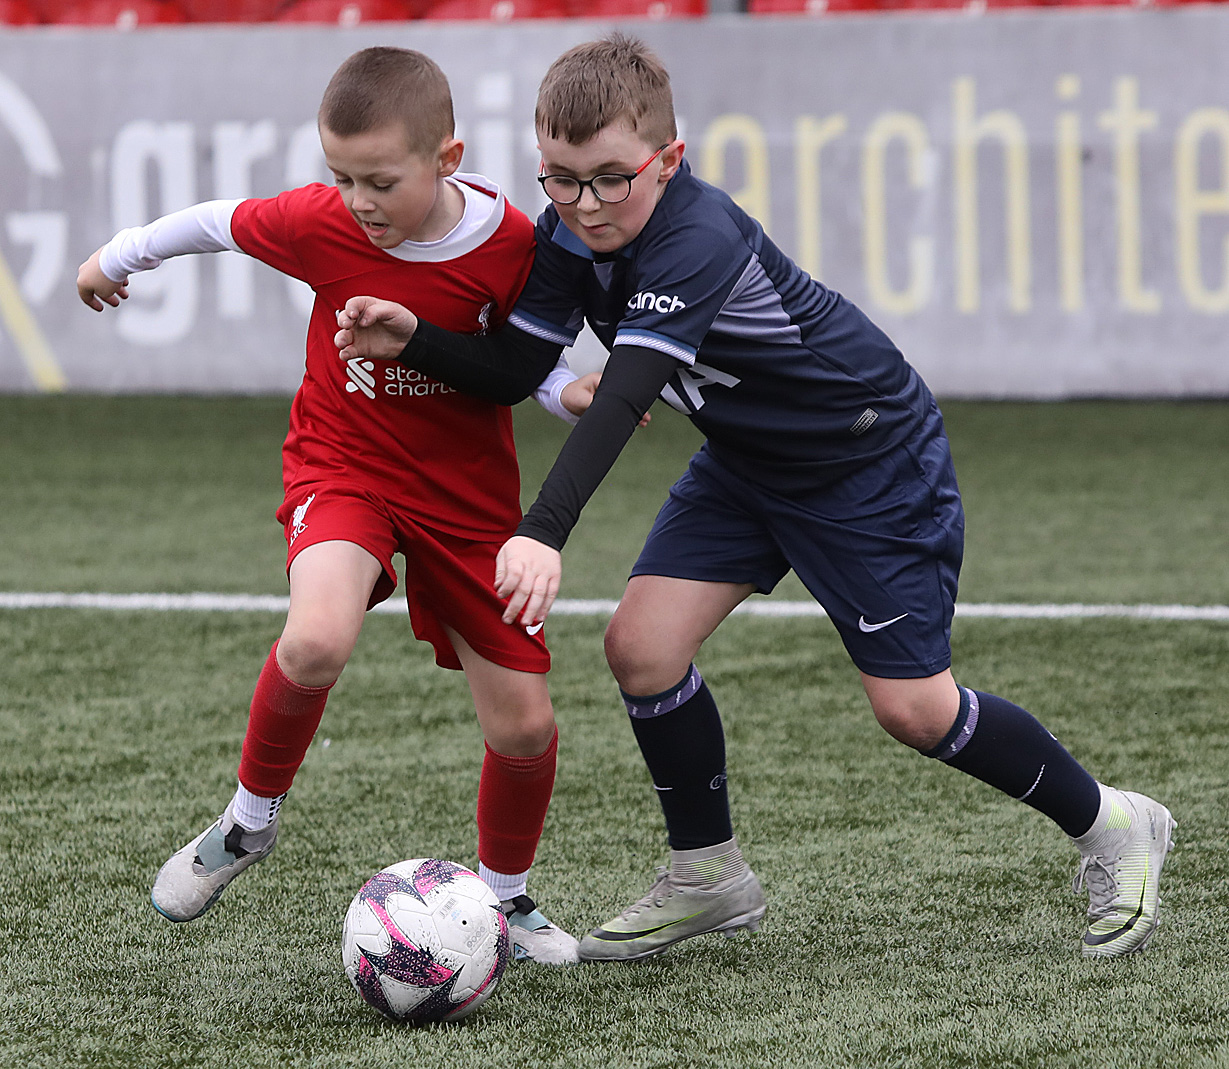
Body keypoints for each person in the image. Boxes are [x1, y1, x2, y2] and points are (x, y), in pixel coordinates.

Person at [332, 34, 1175, 963]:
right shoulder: (566, 231)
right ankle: (708, 876)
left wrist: (542, 530)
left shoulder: (697, 236)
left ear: (669, 159)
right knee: (640, 648)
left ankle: (1113, 823)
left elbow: (622, 395)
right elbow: (517, 370)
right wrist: (417, 340)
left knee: (915, 711)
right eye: (561, 180)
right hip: (747, 460)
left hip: (866, 461)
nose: (586, 203)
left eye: (613, 177)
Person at [75, 46, 589, 964]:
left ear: (448, 157)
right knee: (315, 636)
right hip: (341, 463)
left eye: (380, 181)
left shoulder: (514, 242)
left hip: (468, 500)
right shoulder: (322, 222)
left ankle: (505, 900)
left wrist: (572, 394)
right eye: (341, 177)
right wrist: (115, 257)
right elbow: (216, 222)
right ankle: (247, 823)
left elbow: (525, 363)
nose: (357, 200)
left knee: (523, 723)